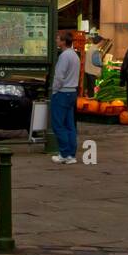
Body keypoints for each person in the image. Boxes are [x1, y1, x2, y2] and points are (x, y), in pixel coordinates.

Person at [50, 31, 80, 164]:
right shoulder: (75, 55)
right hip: (72, 92)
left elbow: (59, 77)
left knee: (58, 124)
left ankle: (63, 153)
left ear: (63, 42)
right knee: (70, 125)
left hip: (62, 92)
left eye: (58, 39)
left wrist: (54, 90)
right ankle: (71, 155)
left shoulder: (64, 56)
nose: (56, 40)